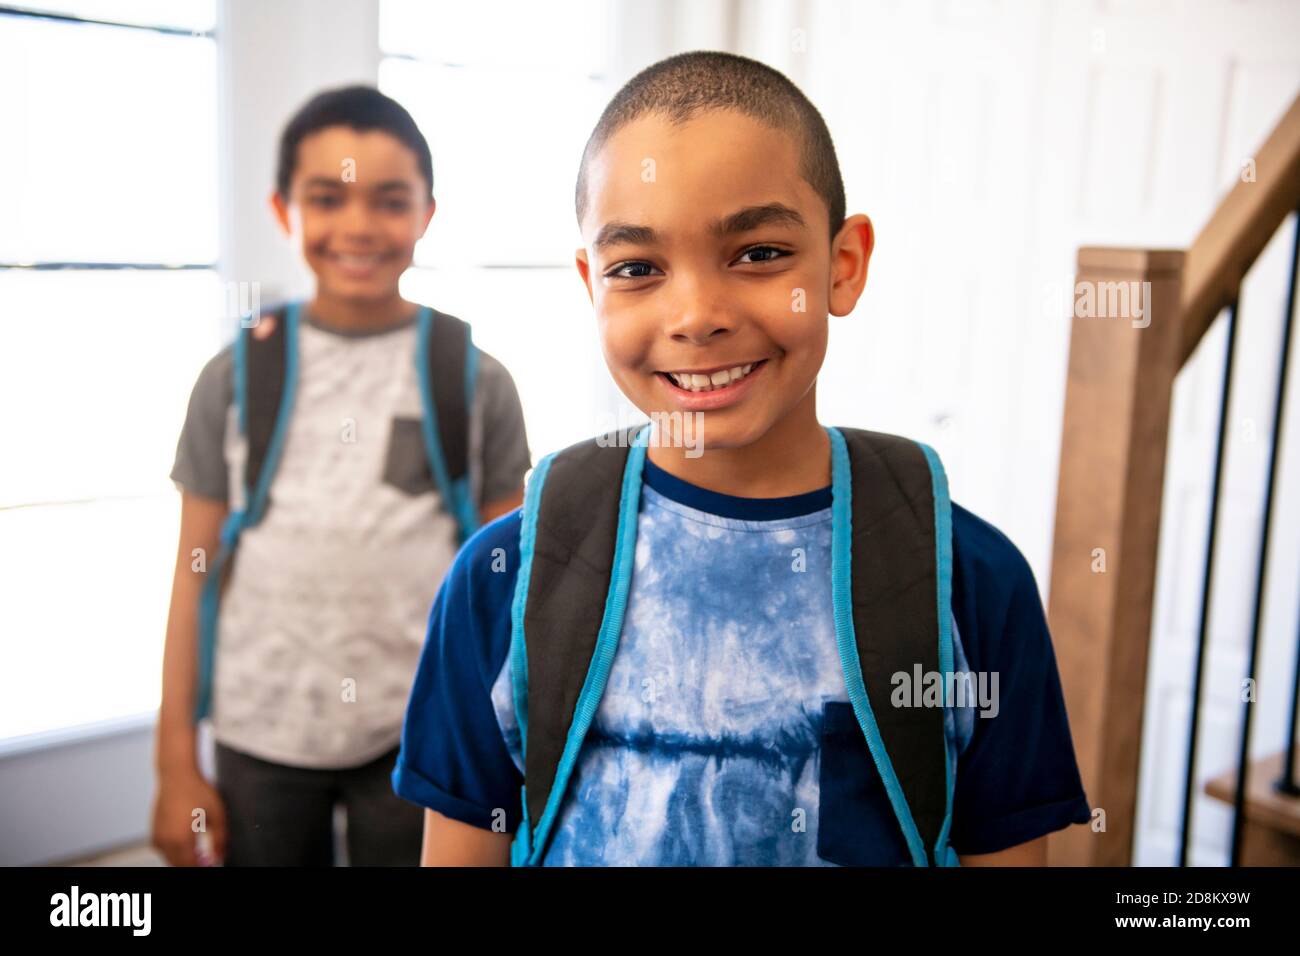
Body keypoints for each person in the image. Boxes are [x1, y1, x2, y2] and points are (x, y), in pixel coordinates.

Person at [393, 52, 1090, 866]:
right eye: (637, 269)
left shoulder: (968, 582)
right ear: (592, 286)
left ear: (844, 263)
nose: (697, 316)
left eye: (757, 254)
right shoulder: (502, 581)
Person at [151, 85, 531, 866]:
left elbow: (508, 588)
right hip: (261, 735)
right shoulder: (235, 377)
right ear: (285, 209)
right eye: (328, 198)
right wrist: (174, 765)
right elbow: (194, 575)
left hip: (419, 734)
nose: (358, 226)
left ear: (428, 212)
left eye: (390, 201)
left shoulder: (474, 380)